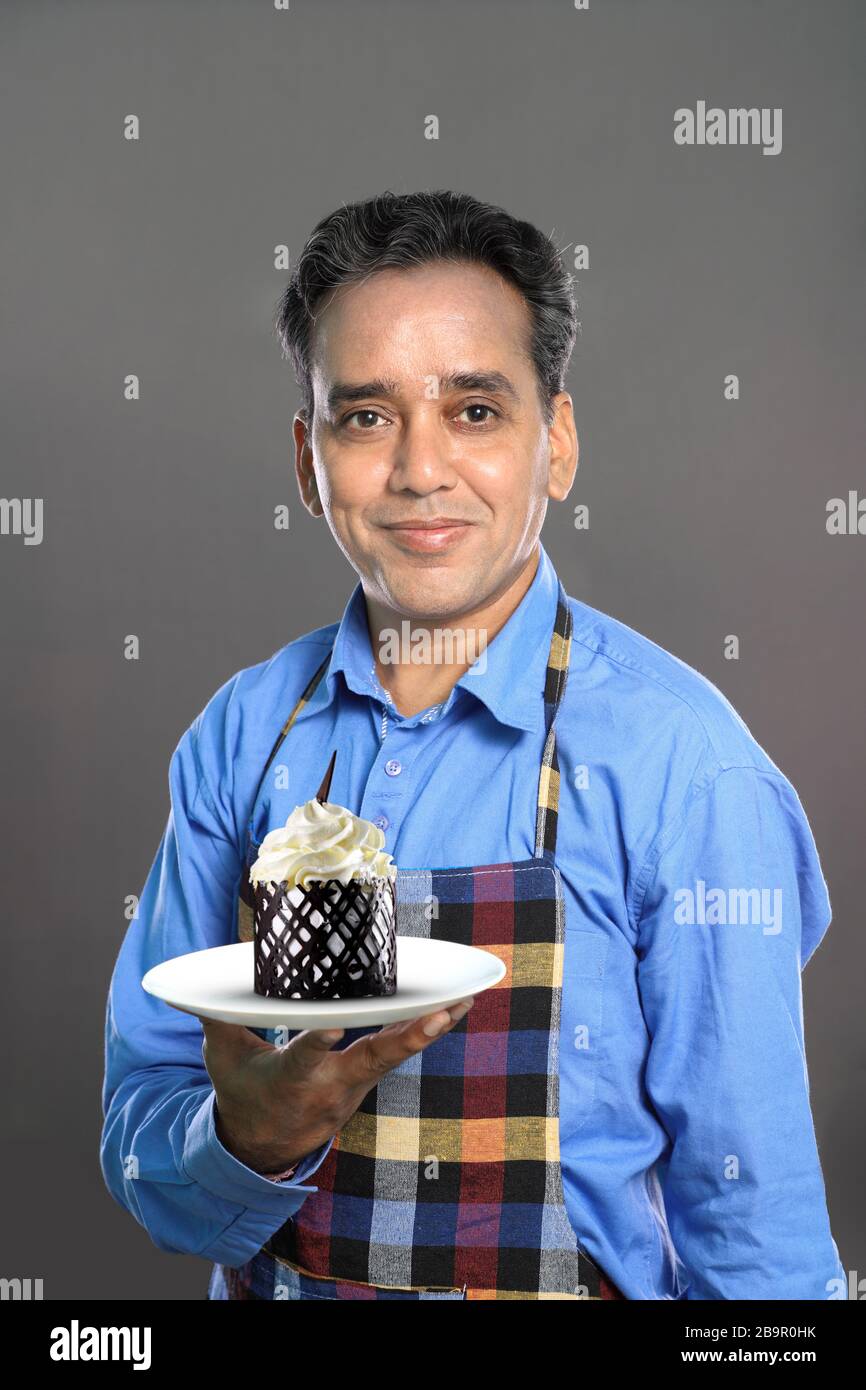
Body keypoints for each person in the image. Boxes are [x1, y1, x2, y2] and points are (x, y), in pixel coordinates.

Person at [101, 189, 844, 1300]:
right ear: (307, 463)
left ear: (556, 443)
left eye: (475, 411)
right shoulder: (242, 740)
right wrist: (244, 1139)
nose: (418, 469)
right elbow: (140, 1133)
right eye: (365, 417)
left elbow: (750, 1225)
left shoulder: (683, 766)